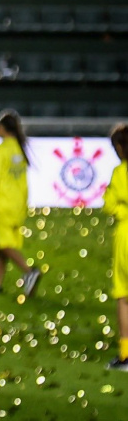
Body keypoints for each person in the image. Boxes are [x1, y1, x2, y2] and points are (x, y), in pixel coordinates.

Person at [0, 110, 41, 297]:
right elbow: (23, 182)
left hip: (3, 203)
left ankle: (29, 272)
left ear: (3, 128)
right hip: (18, 204)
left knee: (4, 245)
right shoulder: (20, 149)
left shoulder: (0, 150)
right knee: (3, 244)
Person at [102, 123, 128, 371]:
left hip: (125, 235)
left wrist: (123, 210)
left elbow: (109, 204)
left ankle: (126, 354)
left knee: (124, 296)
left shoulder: (120, 173)